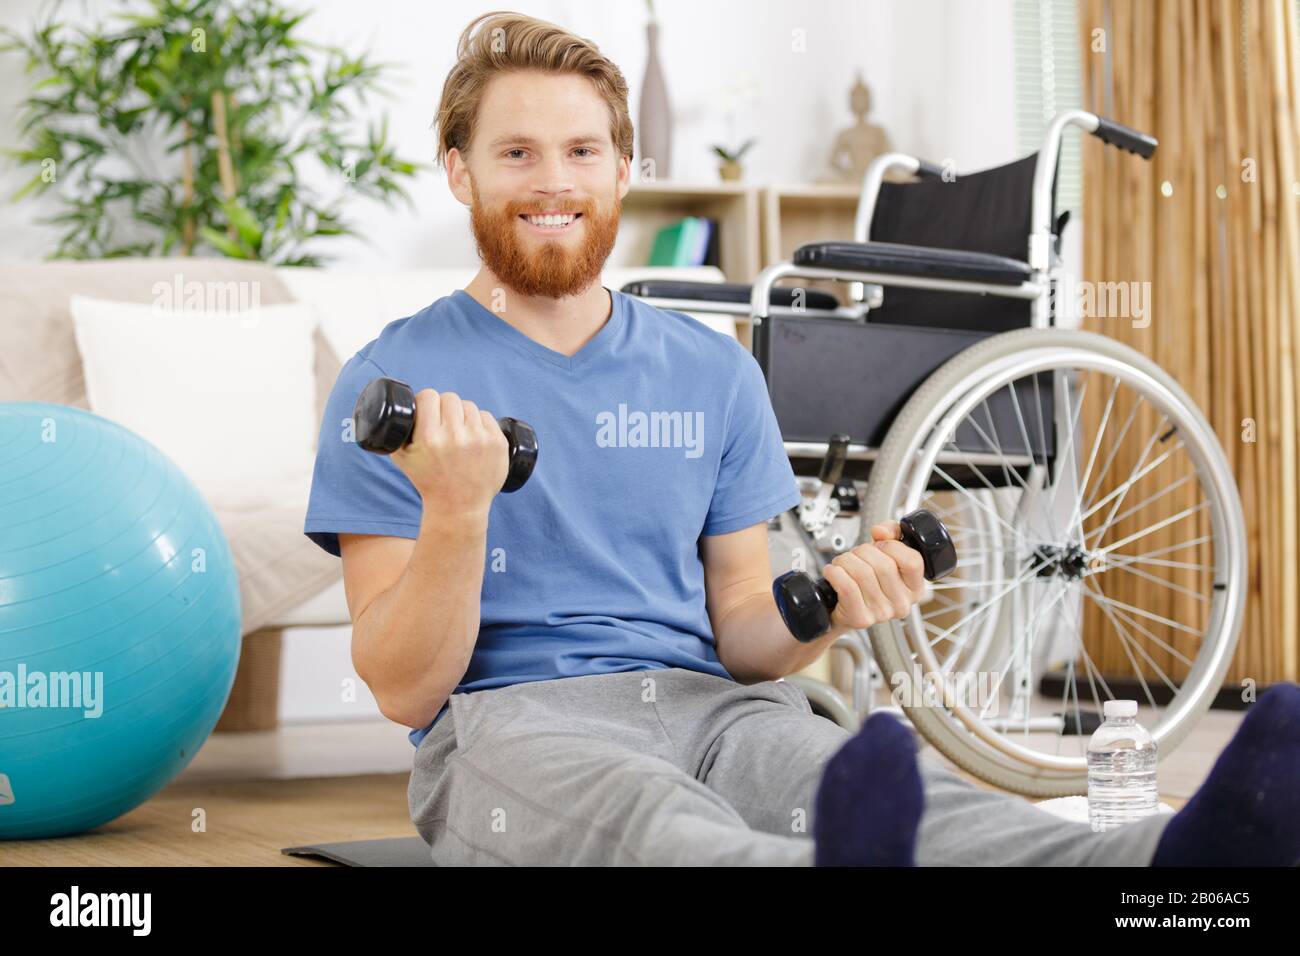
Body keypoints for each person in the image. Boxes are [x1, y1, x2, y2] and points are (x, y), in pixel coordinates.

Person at [303, 11, 1300, 867]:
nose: (551, 181)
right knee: (653, 820)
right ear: (458, 171)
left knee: (886, 790)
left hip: (714, 705)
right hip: (516, 719)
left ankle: (1168, 860)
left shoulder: (712, 371)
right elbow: (402, 685)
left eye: (580, 151)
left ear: (622, 168)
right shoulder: (391, 382)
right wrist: (456, 508)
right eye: (514, 152)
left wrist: (827, 605)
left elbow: (743, 627)